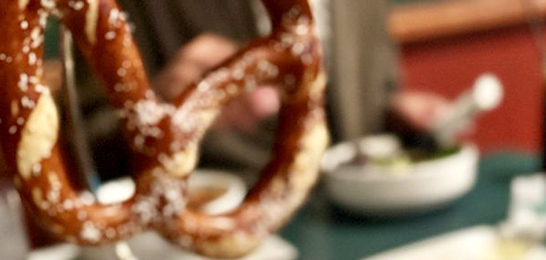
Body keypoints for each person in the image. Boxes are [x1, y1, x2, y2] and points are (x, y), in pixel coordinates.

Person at [77, 0, 450, 181]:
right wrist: (156, 111)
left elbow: (374, 91)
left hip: (370, 211)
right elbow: (86, 153)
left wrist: (393, 108)